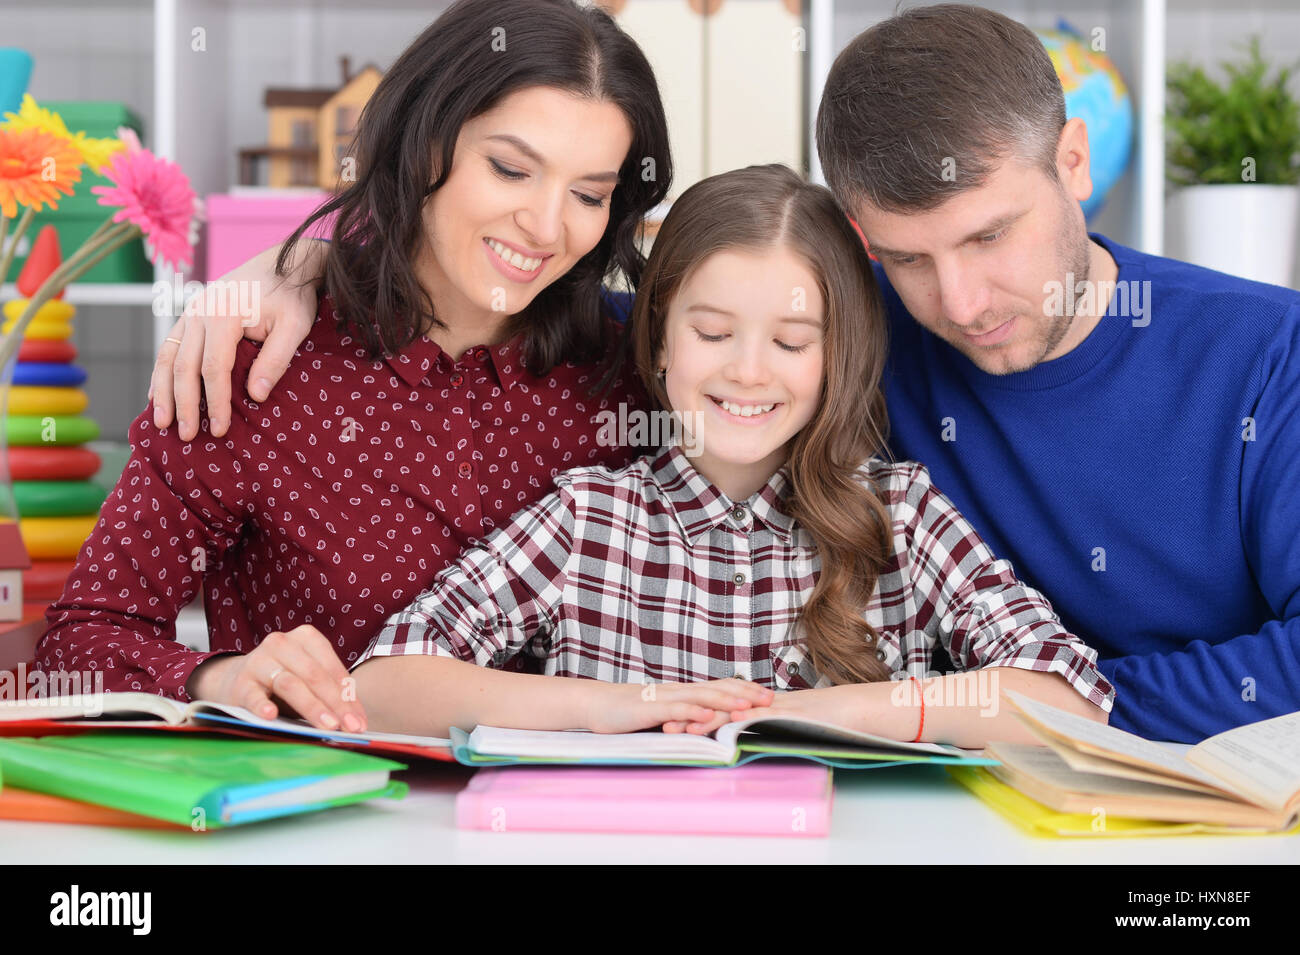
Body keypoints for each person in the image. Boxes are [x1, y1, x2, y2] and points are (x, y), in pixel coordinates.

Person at [153, 4, 1300, 743]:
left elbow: (1086, 692)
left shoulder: (1264, 354)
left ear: (1073, 161)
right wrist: (310, 257)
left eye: (989, 236)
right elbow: (587, 295)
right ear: (860, 247)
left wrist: (828, 717)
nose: (957, 303)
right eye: (904, 257)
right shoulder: (826, 336)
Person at [35, 0, 672, 733]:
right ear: (426, 139)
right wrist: (222, 676)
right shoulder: (257, 359)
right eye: (510, 169)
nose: (549, 225)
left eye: (589, 194)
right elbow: (79, 643)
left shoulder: (640, 368)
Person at [337, 165, 1112, 746]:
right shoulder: (587, 520)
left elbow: (1067, 694)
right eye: (712, 334)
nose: (748, 370)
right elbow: (381, 685)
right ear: (662, 340)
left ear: (835, 357)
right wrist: (613, 706)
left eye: (790, 341)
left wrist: (807, 715)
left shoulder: (900, 515)